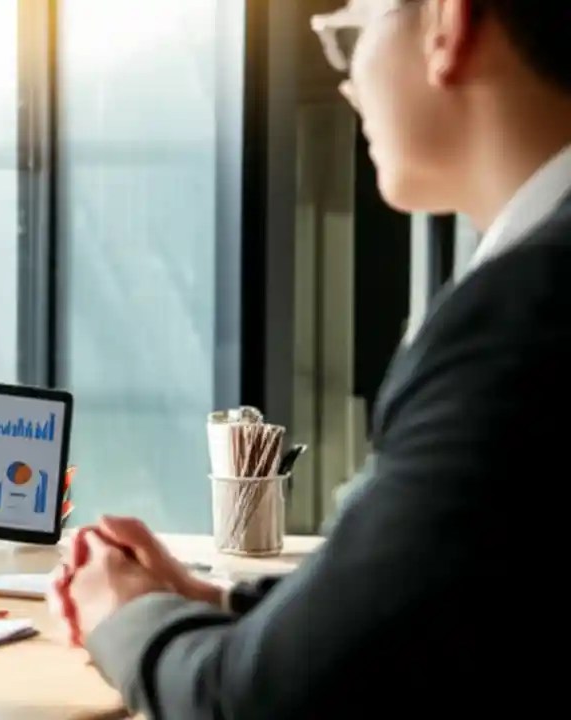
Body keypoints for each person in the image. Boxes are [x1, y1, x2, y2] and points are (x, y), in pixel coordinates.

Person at [49, 1, 571, 717]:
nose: (350, 84)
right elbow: (466, 602)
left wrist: (122, 614)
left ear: (446, 26)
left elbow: (262, 703)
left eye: (350, 35)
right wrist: (218, 600)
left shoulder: (525, 312)